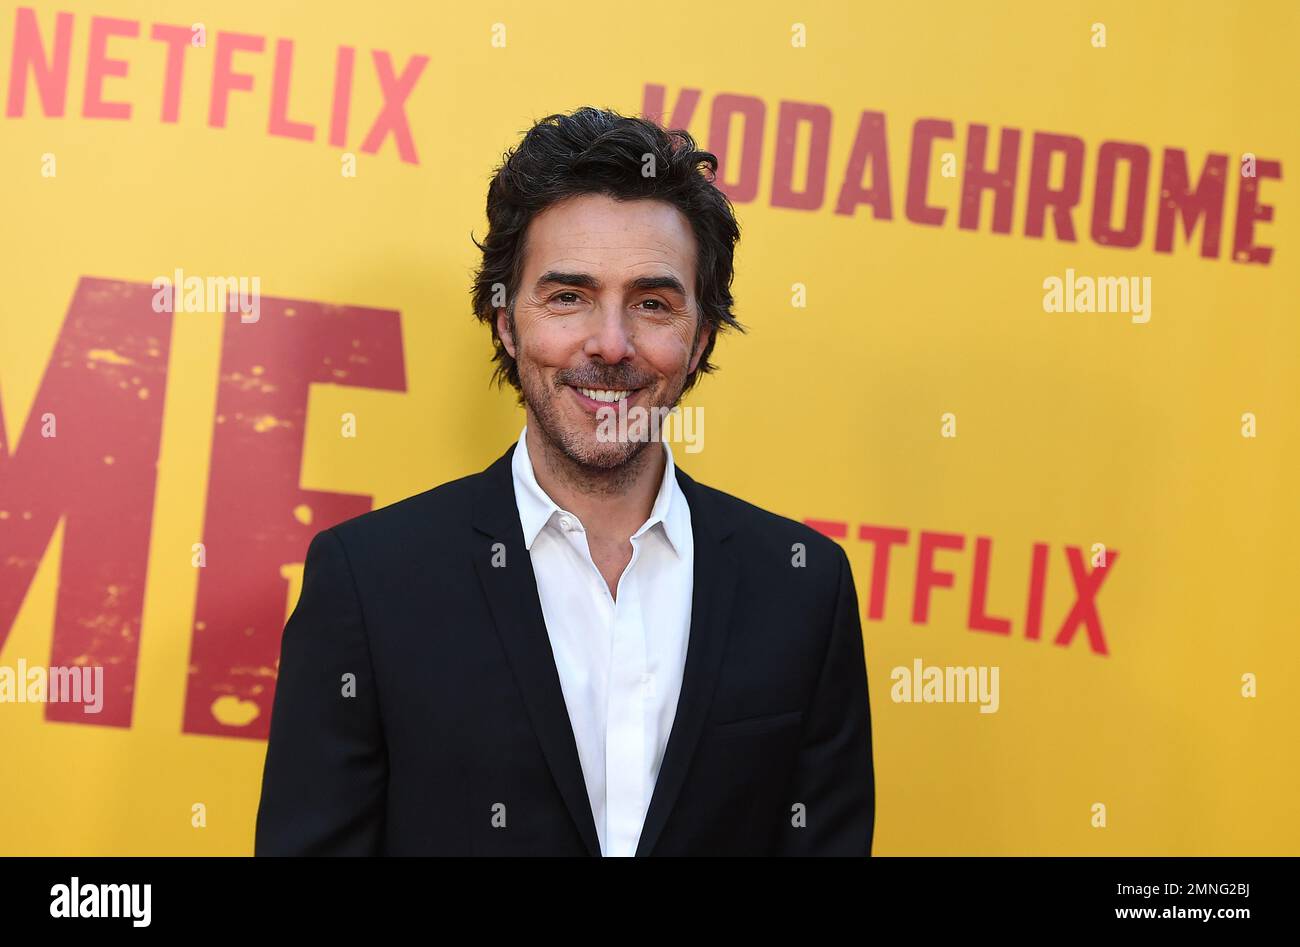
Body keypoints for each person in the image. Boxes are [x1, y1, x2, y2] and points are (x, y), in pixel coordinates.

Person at [255, 106, 874, 856]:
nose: (610, 344)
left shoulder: (802, 588)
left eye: (652, 303)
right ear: (507, 322)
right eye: (568, 296)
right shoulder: (368, 583)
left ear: (700, 335)